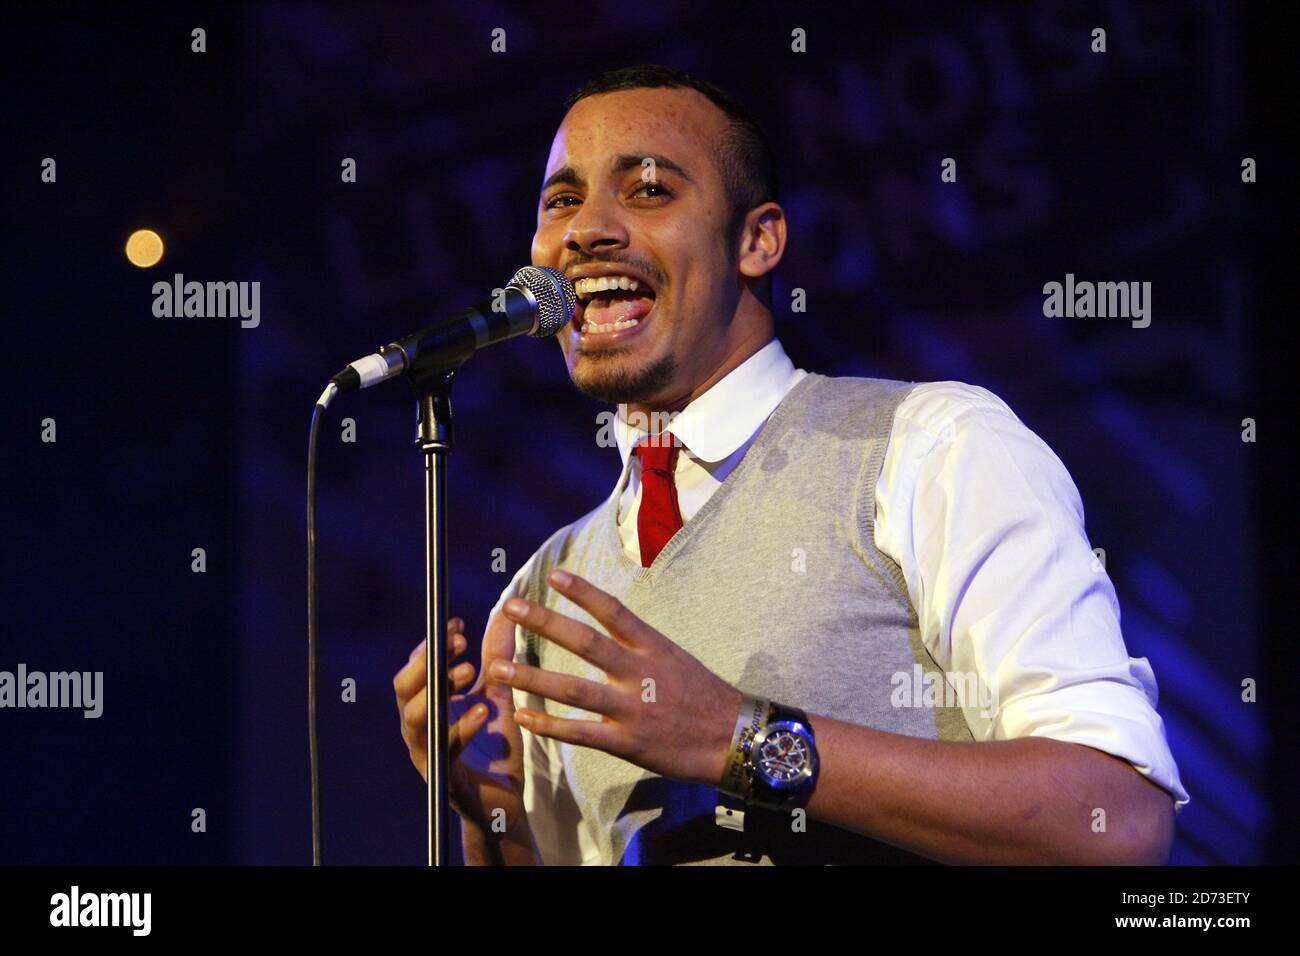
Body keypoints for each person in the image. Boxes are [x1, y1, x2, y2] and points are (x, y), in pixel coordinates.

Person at [393, 64, 1188, 866]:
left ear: (757, 239)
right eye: (562, 200)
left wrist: (739, 740)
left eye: (648, 191)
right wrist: (486, 807)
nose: (586, 229)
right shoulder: (536, 598)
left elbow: (1115, 819)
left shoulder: (934, 449)